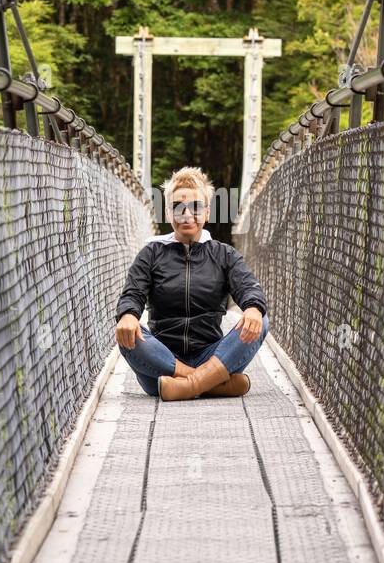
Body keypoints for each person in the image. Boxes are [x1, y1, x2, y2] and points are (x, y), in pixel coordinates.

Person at [114, 165, 270, 401]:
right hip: (162, 359)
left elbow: (248, 287)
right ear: (168, 213)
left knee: (261, 318)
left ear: (207, 212)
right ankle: (213, 383)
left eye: (196, 207)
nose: (187, 214)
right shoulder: (151, 253)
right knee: (127, 332)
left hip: (213, 354)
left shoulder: (224, 254)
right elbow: (132, 294)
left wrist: (253, 308)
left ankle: (187, 386)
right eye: (178, 207)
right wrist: (128, 314)